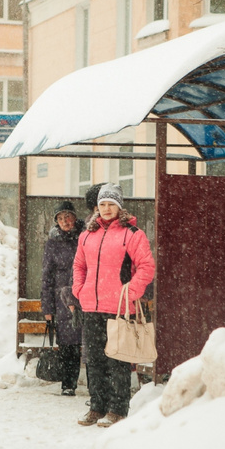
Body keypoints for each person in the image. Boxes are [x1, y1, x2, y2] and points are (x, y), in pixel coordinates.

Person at [73, 183, 155, 428]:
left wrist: (130, 291)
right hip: (91, 306)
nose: (106, 209)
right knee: (95, 360)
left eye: (111, 204)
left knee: (117, 360)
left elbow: (146, 267)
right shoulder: (86, 235)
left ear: (119, 207)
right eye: (102, 204)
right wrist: (79, 289)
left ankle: (118, 410)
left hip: (119, 307)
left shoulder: (132, 234)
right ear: (97, 207)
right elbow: (79, 266)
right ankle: (97, 407)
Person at [41, 201, 85, 396]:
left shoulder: (85, 238)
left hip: (84, 294)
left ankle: (96, 387)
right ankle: (68, 384)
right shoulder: (53, 244)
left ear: (75, 218)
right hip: (61, 300)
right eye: (60, 218)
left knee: (90, 342)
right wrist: (48, 309)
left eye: (68, 217)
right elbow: (47, 277)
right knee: (67, 343)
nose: (65, 221)